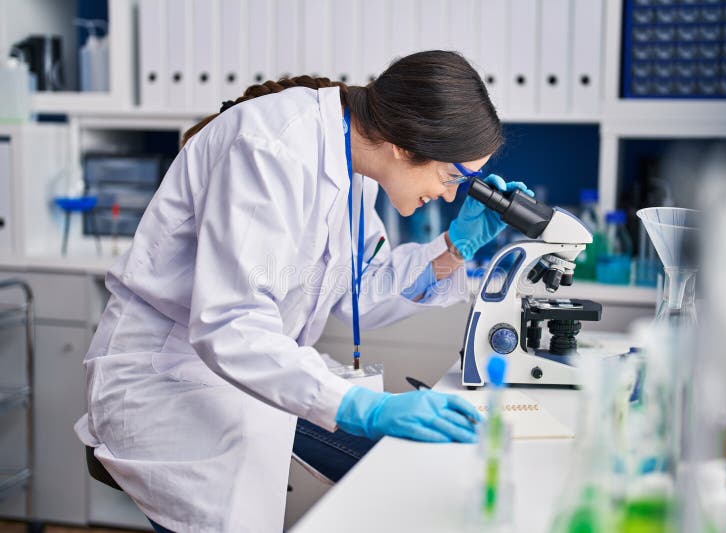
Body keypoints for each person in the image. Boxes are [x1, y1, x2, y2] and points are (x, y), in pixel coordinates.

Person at [74, 50, 533, 532]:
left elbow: (362, 290)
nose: (450, 194)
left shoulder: (356, 166)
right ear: (404, 144)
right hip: (172, 381)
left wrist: (454, 249)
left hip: (259, 370)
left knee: (395, 461)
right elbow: (231, 321)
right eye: (452, 177)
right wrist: (364, 407)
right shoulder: (272, 146)